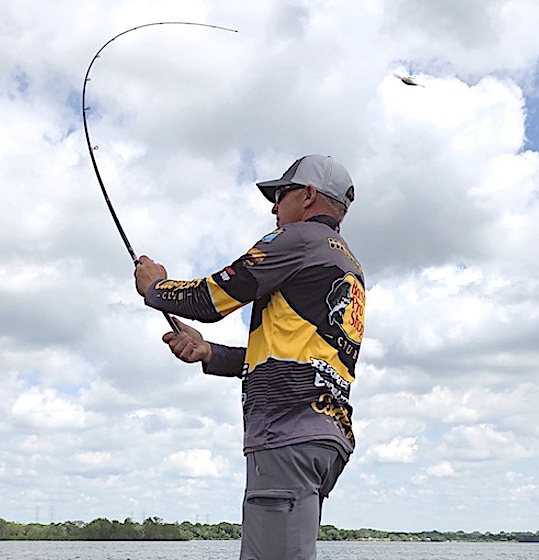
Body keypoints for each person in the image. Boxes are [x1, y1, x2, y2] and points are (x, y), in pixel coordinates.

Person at [134, 154, 366, 560]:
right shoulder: (347, 265)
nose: (274, 208)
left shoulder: (298, 239)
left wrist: (156, 288)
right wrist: (210, 352)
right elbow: (293, 355)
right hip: (324, 440)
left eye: (280, 195)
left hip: (284, 434)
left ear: (308, 195)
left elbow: (215, 295)